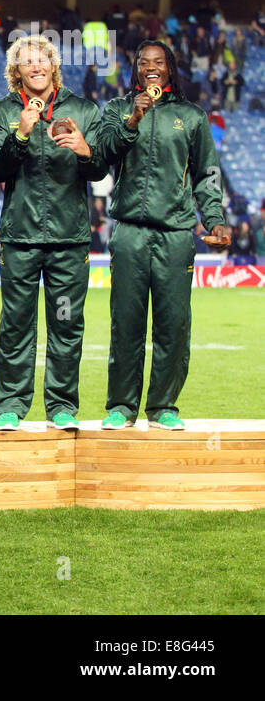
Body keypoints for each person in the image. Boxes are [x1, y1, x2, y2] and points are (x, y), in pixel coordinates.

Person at [96, 40, 231, 430]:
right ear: (135, 69)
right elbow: (102, 155)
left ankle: (163, 406)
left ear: (170, 68)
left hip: (175, 233)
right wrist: (133, 121)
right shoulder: (118, 109)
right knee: (126, 323)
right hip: (129, 233)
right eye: (143, 63)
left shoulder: (191, 116)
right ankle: (121, 405)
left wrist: (215, 219)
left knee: (173, 323)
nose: (151, 68)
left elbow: (207, 174)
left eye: (159, 62)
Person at [0, 35, 109, 430]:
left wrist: (85, 151)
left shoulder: (84, 110)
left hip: (69, 240)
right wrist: (20, 134)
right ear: (15, 71)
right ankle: (10, 405)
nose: (36, 67)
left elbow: (102, 169)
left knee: (65, 322)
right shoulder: (3, 111)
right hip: (19, 238)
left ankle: (61, 406)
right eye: (27, 62)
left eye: (42, 60)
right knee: (16, 324)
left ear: (54, 65)